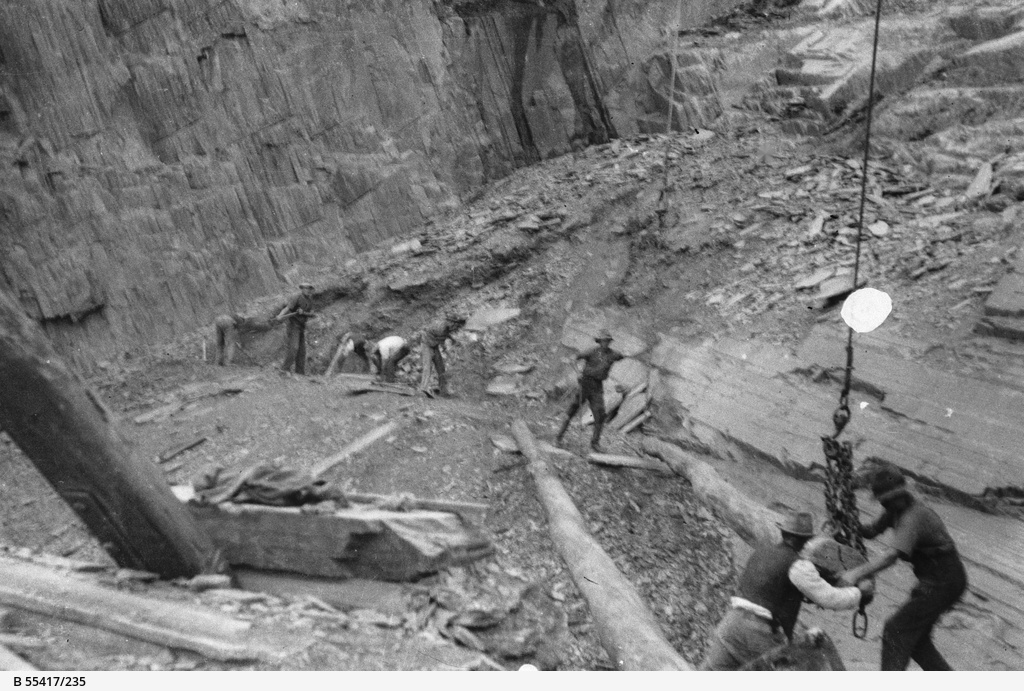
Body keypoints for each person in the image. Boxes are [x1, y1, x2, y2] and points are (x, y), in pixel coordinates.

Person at [700, 511, 874, 671]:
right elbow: (828, 597)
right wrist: (859, 594)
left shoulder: (762, 552)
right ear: (804, 540)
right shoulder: (797, 565)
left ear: (783, 533)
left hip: (731, 624)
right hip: (757, 633)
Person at [837, 466, 967, 671]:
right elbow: (871, 531)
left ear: (900, 495)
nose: (883, 503)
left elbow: (891, 557)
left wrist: (855, 573)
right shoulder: (895, 510)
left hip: (944, 580)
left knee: (895, 630)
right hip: (939, 579)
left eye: (887, 499)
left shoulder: (913, 516)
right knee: (918, 643)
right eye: (882, 500)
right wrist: (849, 520)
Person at [555, 329, 623, 452]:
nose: (605, 343)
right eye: (603, 341)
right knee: (571, 410)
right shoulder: (592, 351)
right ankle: (558, 438)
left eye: (607, 341)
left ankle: (595, 443)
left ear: (609, 342)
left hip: (597, 387)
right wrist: (578, 373)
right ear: (599, 341)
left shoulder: (613, 354)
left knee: (600, 415)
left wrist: (622, 356)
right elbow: (573, 358)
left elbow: (622, 356)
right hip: (585, 384)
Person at [419, 313, 465, 396]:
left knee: (441, 367)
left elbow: (447, 334)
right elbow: (443, 345)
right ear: (450, 322)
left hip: (434, 344)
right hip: (426, 344)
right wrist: (450, 355)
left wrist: (452, 339)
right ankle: (424, 388)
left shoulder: (446, 326)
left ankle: (443, 390)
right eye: (454, 324)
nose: (455, 327)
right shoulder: (441, 328)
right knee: (428, 366)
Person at [276, 282, 316, 374]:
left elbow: (312, 313)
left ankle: (300, 372)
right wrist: (280, 315)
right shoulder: (297, 297)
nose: (307, 290)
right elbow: (287, 308)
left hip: (302, 327)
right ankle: (284, 369)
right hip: (293, 325)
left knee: (302, 352)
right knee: (294, 348)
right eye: (305, 288)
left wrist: (303, 313)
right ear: (302, 289)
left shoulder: (310, 300)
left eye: (308, 288)